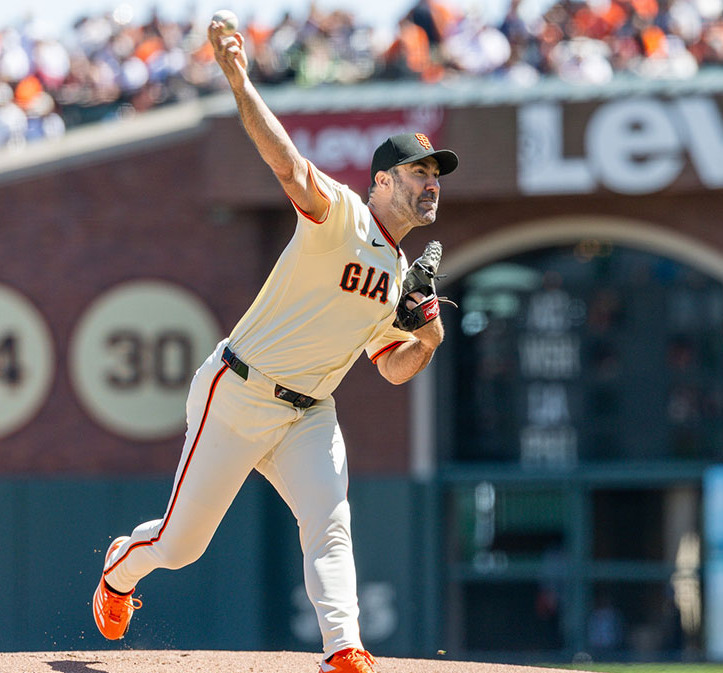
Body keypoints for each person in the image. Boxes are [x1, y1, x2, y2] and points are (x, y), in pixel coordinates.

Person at [90, 13, 458, 673]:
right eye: (417, 170)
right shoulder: (343, 212)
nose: (431, 181)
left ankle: (343, 648)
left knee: (330, 522)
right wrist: (238, 79)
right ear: (382, 181)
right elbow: (286, 164)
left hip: (309, 412)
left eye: (436, 173)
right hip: (238, 388)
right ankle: (120, 571)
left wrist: (427, 336)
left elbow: (394, 370)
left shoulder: (400, 277)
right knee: (179, 545)